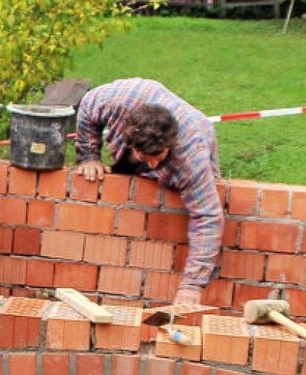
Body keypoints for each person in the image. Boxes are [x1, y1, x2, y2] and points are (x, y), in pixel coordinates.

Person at [74, 78, 222, 306]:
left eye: (159, 157)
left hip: (199, 133)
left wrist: (193, 286)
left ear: (170, 144)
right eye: (145, 158)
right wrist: (88, 155)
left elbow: (207, 217)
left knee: (190, 188)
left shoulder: (192, 157)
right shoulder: (116, 100)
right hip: (137, 102)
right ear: (131, 142)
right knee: (133, 172)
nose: (152, 165)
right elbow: (86, 106)